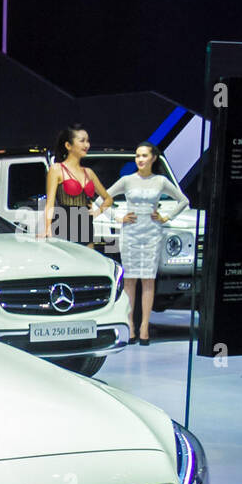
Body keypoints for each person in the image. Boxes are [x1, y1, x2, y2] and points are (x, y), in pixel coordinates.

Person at [102, 142, 189, 345]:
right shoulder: (127, 180)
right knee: (130, 280)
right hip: (130, 233)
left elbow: (183, 200)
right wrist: (117, 216)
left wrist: (166, 217)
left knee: (148, 280)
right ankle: (130, 325)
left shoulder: (160, 181)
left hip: (152, 233)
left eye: (144, 155)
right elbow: (101, 199)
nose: (140, 159)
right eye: (137, 156)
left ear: (153, 158)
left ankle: (144, 328)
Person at [39, 124, 111, 247]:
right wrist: (47, 227)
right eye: (82, 141)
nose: (86, 145)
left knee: (89, 263)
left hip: (85, 227)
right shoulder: (57, 169)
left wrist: (97, 212)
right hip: (63, 226)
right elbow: (50, 202)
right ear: (68, 145)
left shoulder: (89, 172)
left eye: (88, 141)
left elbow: (108, 199)